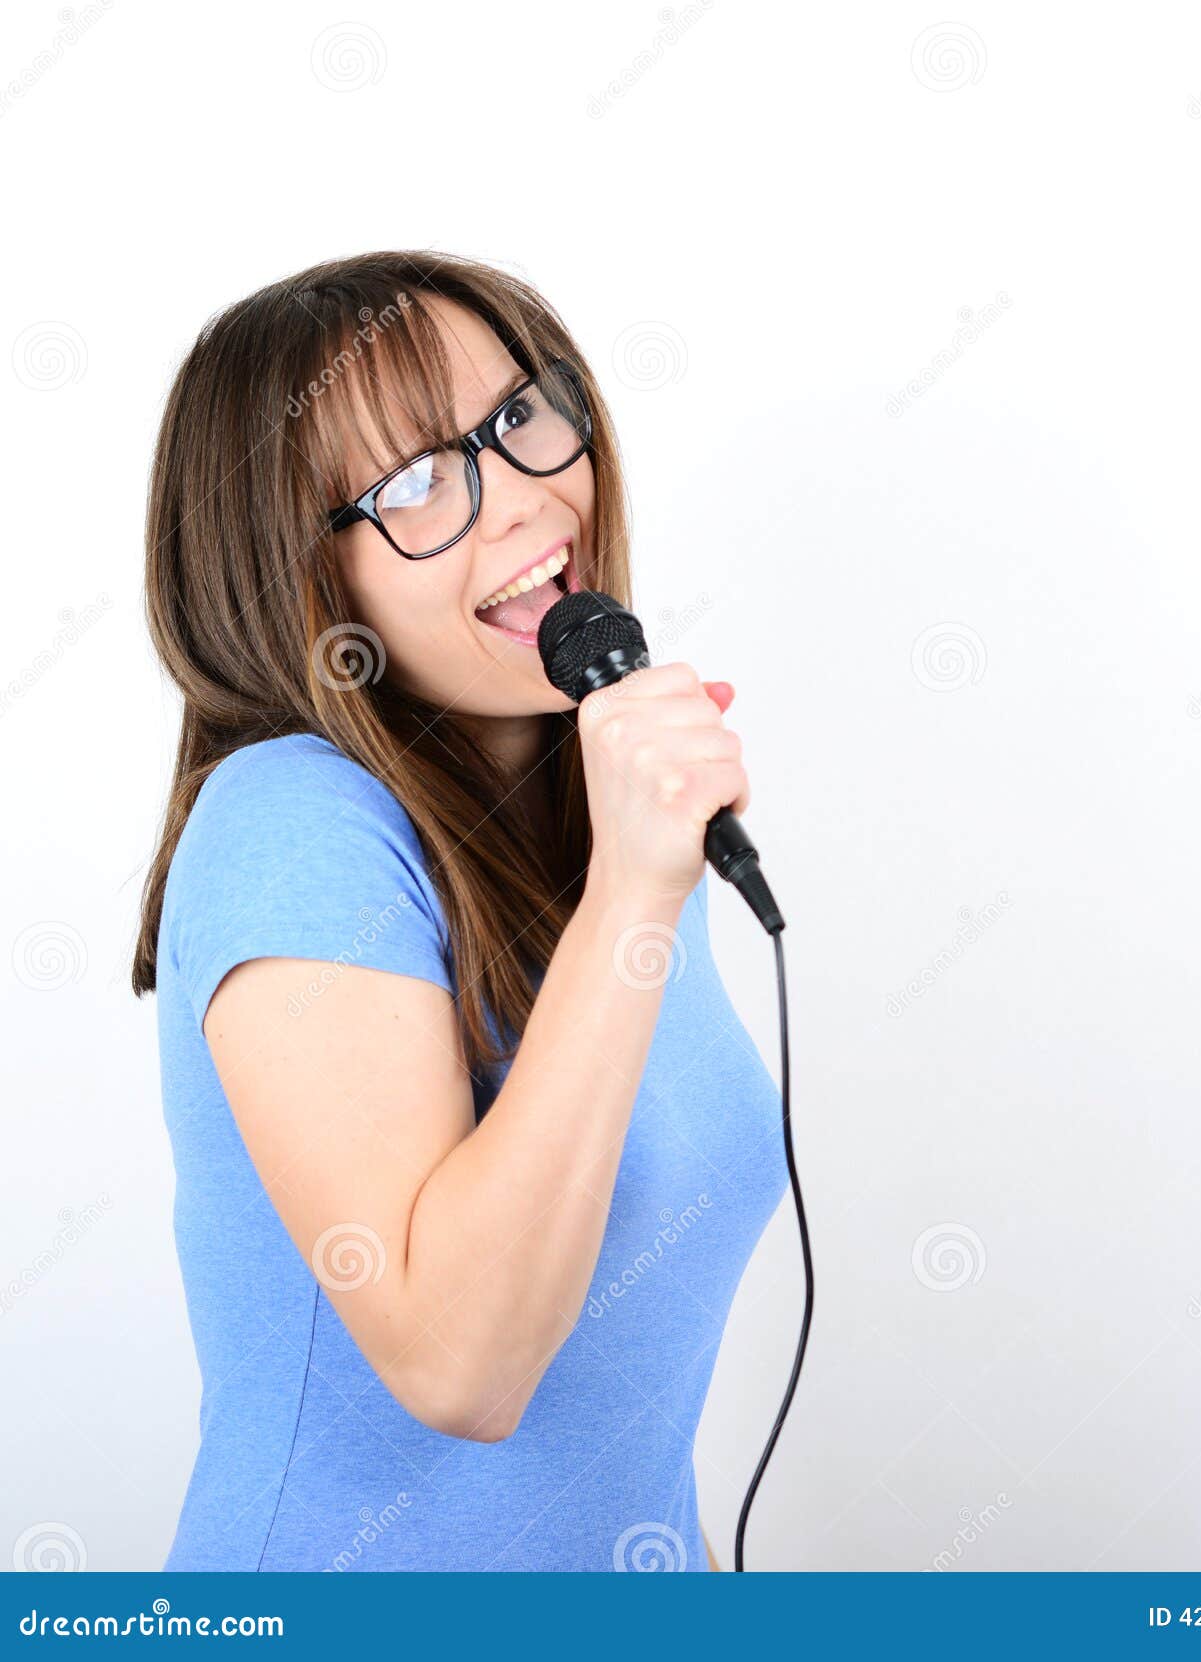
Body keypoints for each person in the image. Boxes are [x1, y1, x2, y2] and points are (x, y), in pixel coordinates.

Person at [131, 251, 787, 1571]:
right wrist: (633, 894)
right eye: (418, 480)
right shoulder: (291, 821)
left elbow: (623, 1427)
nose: (526, 499)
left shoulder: (589, 821)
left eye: (517, 420)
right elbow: (462, 1363)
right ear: (306, 584)